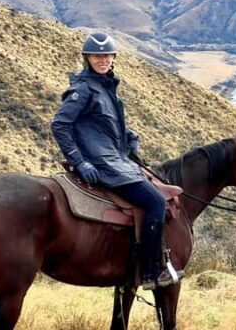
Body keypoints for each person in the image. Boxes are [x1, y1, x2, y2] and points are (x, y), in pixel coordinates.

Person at [51, 32, 181, 290]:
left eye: (107, 55)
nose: (103, 60)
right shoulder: (83, 90)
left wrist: (130, 138)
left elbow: (107, 126)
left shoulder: (105, 88)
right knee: (155, 201)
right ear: (87, 58)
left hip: (117, 159)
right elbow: (60, 124)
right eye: (97, 55)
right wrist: (79, 162)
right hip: (105, 165)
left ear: (113, 58)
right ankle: (151, 272)